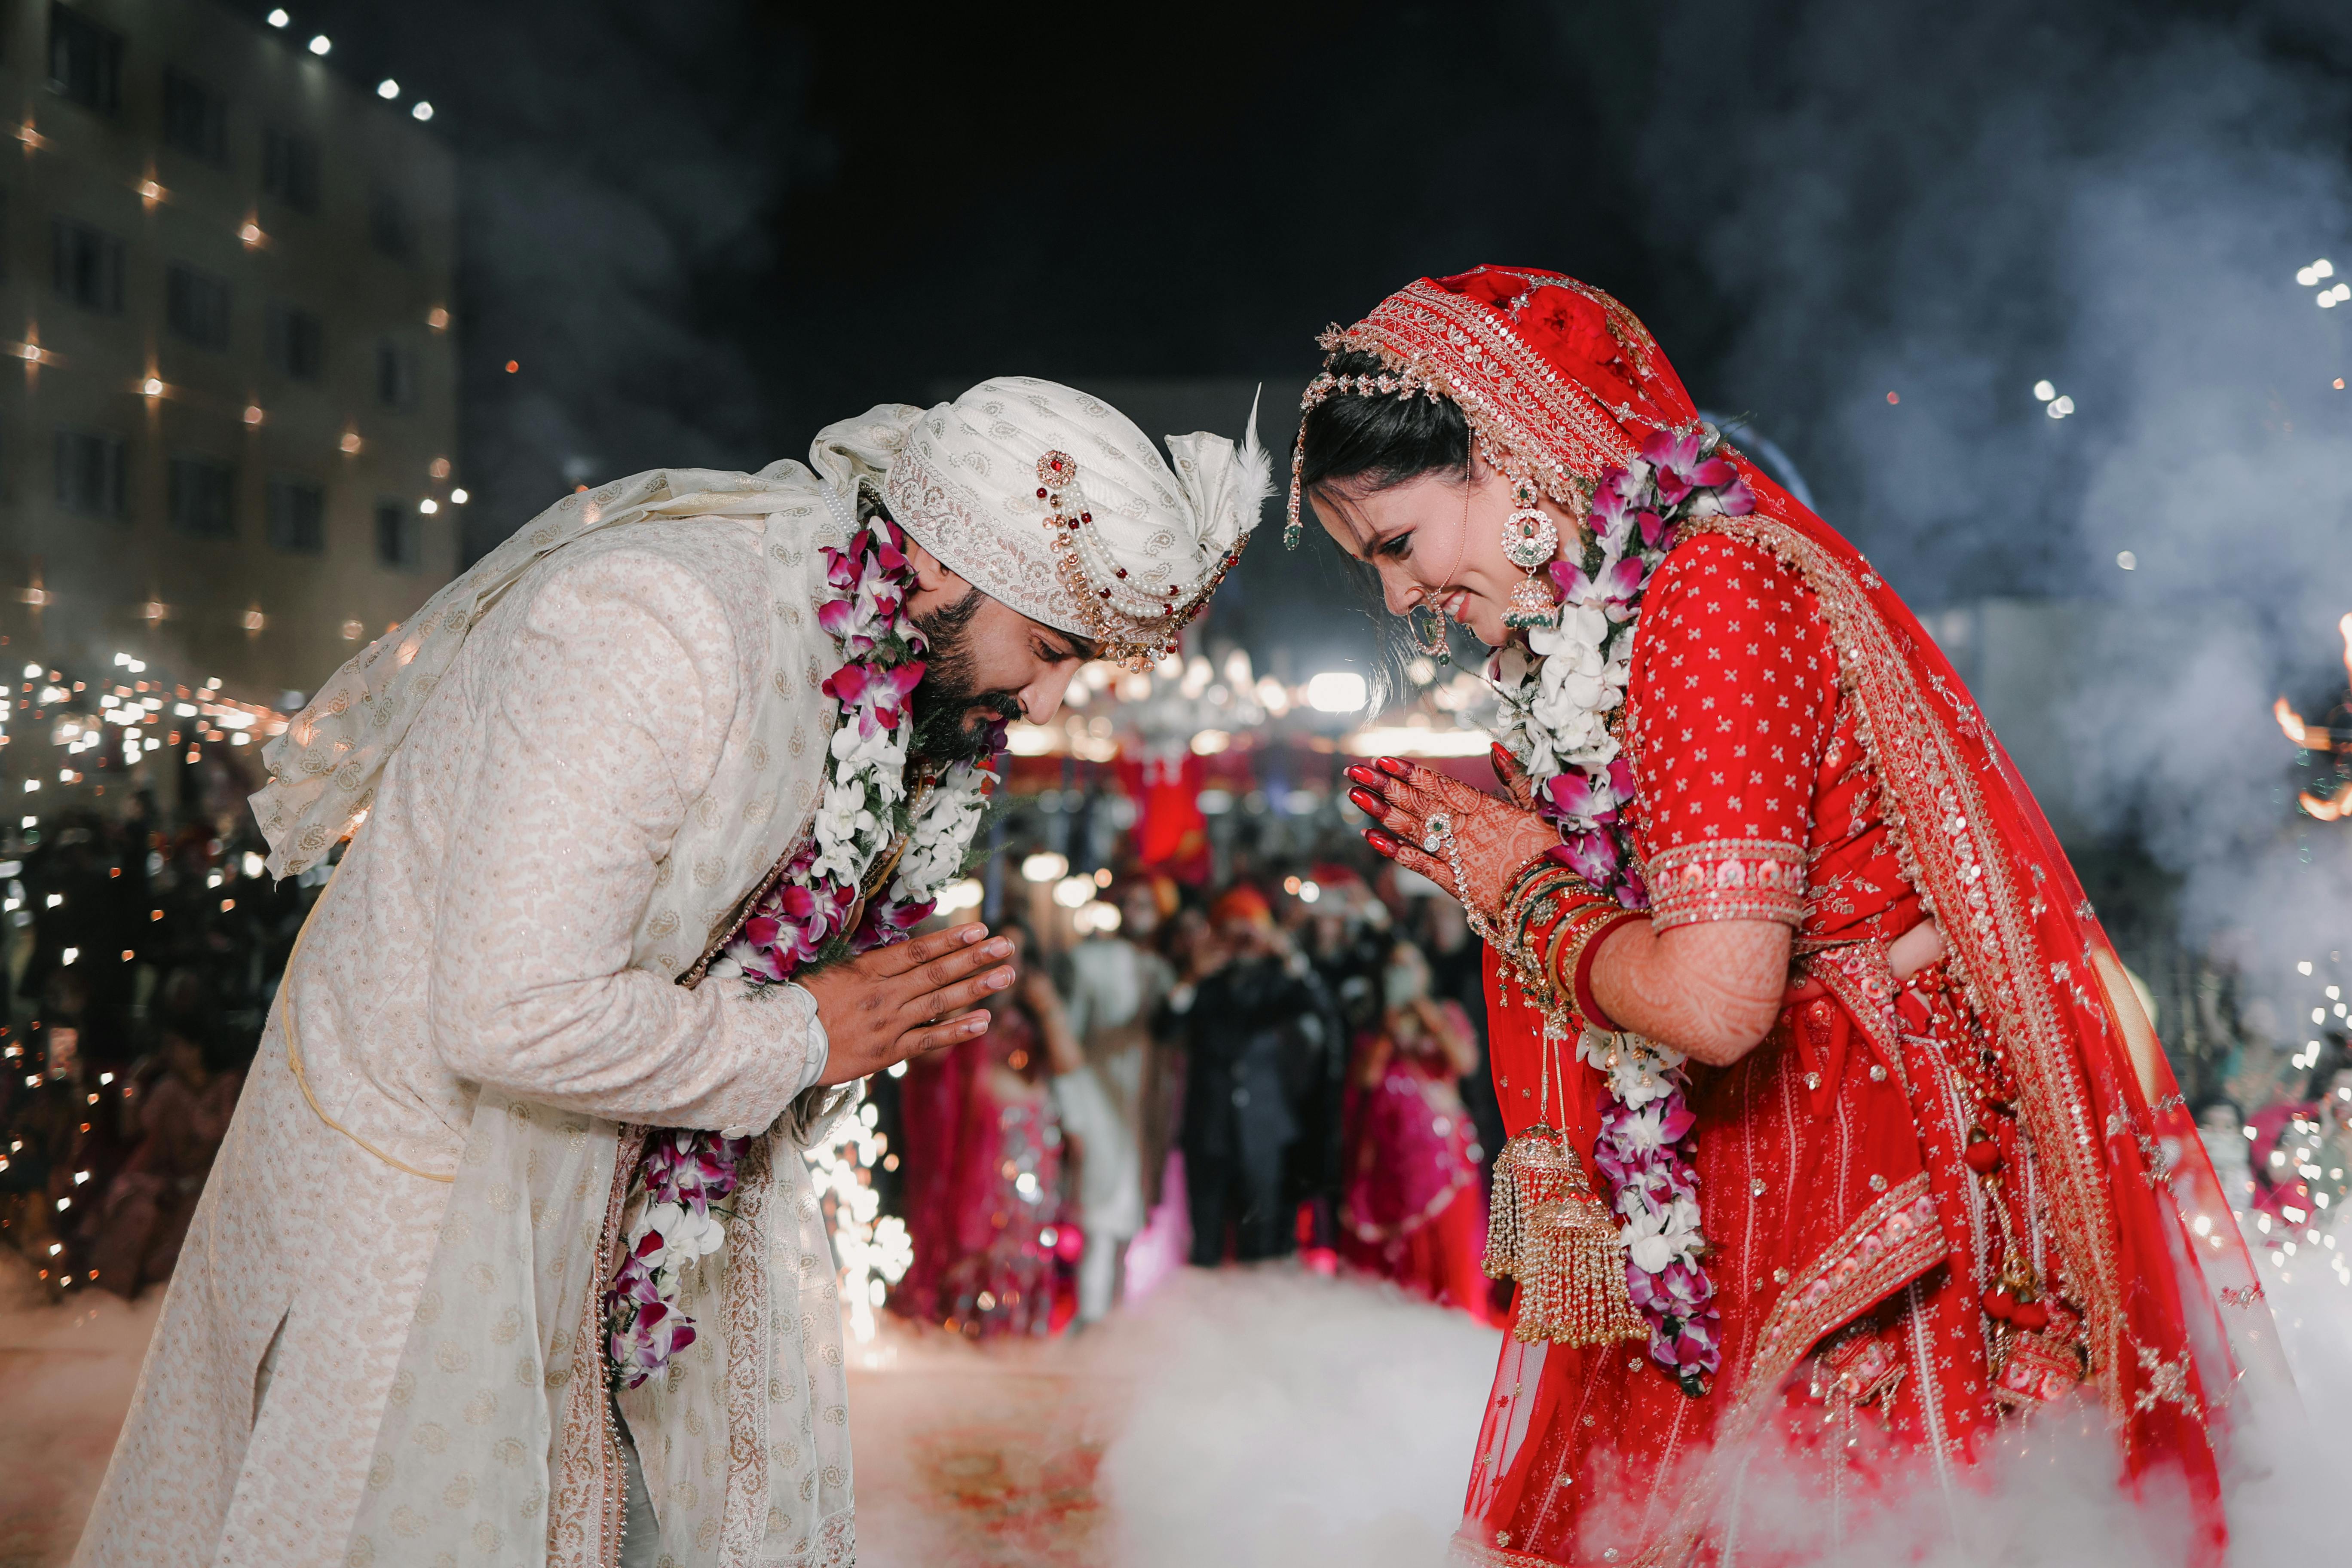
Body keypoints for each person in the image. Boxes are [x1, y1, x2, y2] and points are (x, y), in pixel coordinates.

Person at [75, 378, 1267, 1568]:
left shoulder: (847, 662)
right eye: (1052, 651)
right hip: (412, 1222)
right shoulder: (655, 628)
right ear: (944, 562)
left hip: (589, 1208)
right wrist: (803, 1034)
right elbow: (509, 1010)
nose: (1051, 702)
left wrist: (836, 1006)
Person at [1295, 267, 2279, 1563]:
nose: (1402, 602)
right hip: (1760, 1166)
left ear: (1510, 452)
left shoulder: (1710, 595)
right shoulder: (1626, 620)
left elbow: (1712, 998)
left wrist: (1523, 887)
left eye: (1396, 545)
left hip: (1856, 1180)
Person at [893, 921, 1076, 1338]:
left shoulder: (1035, 1013)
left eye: (1020, 954)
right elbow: (928, 1061)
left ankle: (1015, 1338)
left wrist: (1046, 1006)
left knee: (1024, 1242)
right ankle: (964, 1336)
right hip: (976, 1148)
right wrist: (968, 992)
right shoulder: (969, 1008)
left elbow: (1069, 1063)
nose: (1011, 961)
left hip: (1029, 1144)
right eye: (1000, 950)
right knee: (971, 1242)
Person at [1177, 885, 1340, 1265]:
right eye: (1231, 931)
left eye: (1247, 930)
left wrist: (1288, 957)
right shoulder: (1206, 983)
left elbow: (1323, 1009)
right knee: (1206, 1246)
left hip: (1265, 1129)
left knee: (1263, 1245)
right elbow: (1166, 1027)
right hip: (1210, 1129)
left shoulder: (1277, 982)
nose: (1241, 942)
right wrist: (1192, 976)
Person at [1338, 941, 1489, 1320]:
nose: (1404, 975)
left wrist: (1428, 1018)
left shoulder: (1445, 1014)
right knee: (1398, 1260)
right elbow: (1366, 1079)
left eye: (1411, 966)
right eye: (1395, 968)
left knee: (1445, 1252)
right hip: (1391, 1161)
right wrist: (1389, 1032)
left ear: (1425, 973)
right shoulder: (1375, 1024)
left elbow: (1466, 1062)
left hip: (1443, 1162)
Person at [1050, 879, 1176, 1323]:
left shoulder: (1163, 973)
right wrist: (1074, 1116)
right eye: (1131, 900)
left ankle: (1117, 1330)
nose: (1138, 910)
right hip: (1100, 1107)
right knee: (1099, 1223)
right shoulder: (1088, 963)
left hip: (1143, 1113)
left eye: (1148, 903)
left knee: (1128, 1223)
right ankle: (1092, 1326)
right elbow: (1068, 1043)